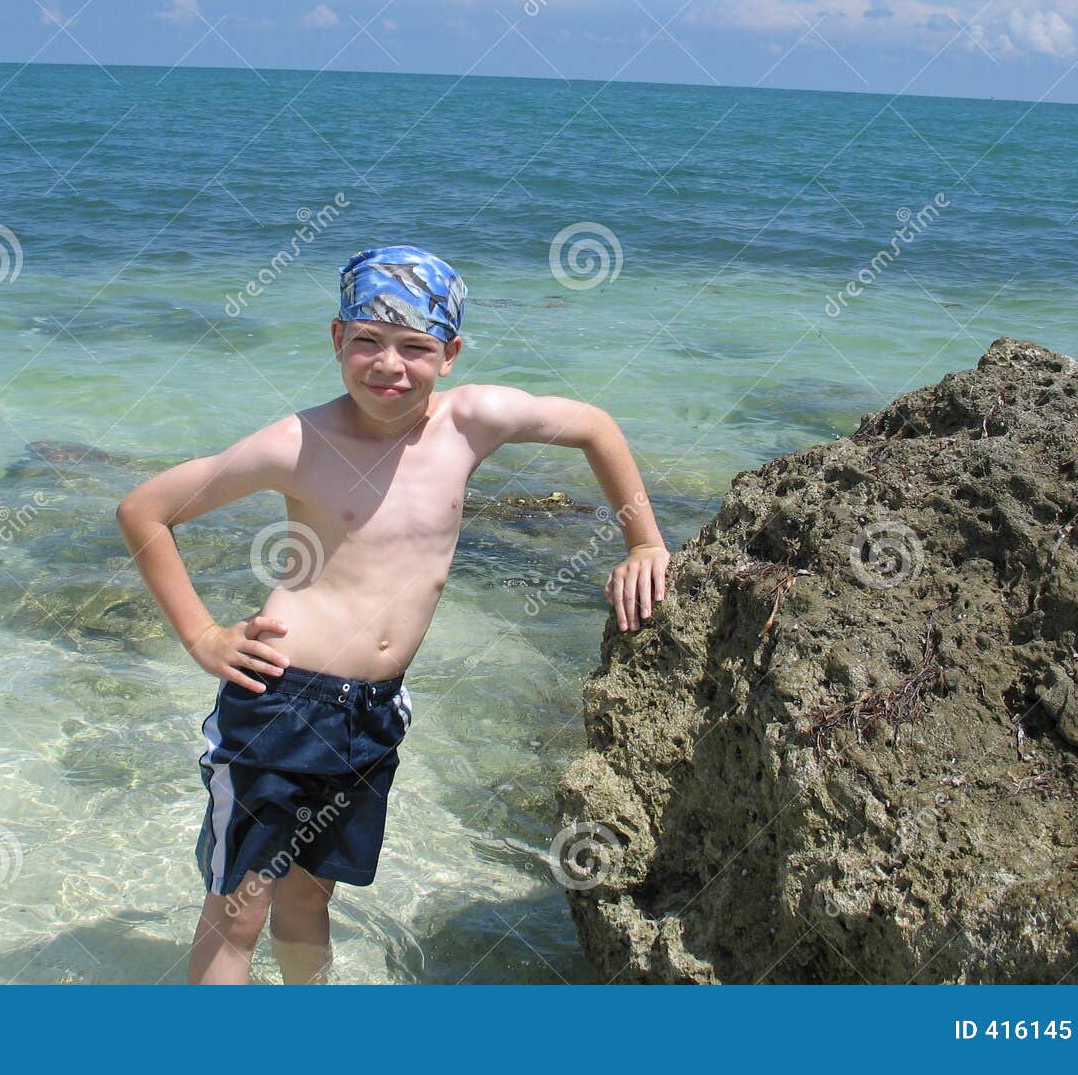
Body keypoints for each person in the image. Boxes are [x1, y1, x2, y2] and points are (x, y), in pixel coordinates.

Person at [115, 244, 670, 984]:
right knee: (240, 908)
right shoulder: (297, 443)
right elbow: (145, 510)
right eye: (368, 341)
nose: (389, 364)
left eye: (415, 346)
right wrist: (202, 635)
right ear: (337, 340)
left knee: (310, 896)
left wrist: (645, 542)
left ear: (450, 354)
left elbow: (595, 425)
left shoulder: (473, 422)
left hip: (372, 712)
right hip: (280, 701)